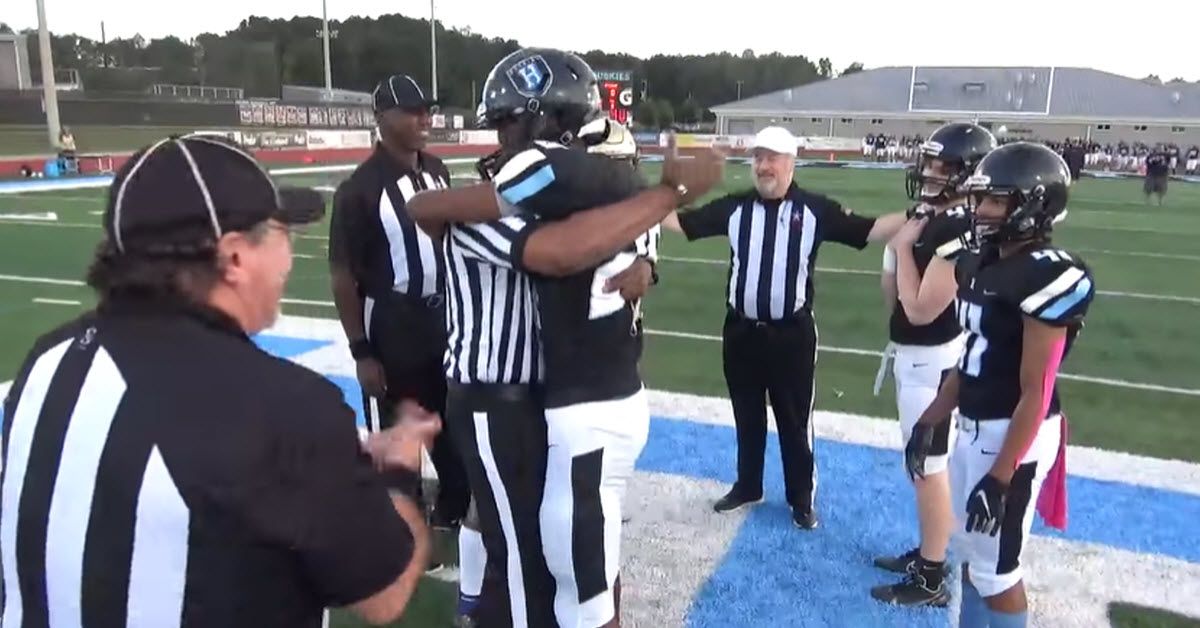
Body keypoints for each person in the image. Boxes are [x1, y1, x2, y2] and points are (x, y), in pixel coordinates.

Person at [0, 134, 438, 627]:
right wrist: (399, 467)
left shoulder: (49, 360)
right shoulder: (286, 408)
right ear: (233, 258)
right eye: (281, 233)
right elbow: (385, 592)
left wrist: (329, 460)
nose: (289, 257)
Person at [661, 125, 907, 529]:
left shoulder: (813, 209)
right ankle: (748, 484)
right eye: (758, 157)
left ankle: (800, 497)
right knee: (746, 413)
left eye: (772, 157)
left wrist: (922, 217)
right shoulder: (735, 207)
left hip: (791, 335)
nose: (764, 165)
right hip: (740, 331)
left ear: (791, 162)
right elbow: (682, 224)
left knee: (794, 420)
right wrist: (636, 203)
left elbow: (870, 229)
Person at [906, 142, 1094, 628]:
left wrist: (1003, 475)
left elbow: (1037, 388)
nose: (981, 211)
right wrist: (932, 417)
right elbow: (972, 356)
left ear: (1032, 205)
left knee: (998, 573)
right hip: (975, 425)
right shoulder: (985, 261)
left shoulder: (1047, 275)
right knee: (972, 558)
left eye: (994, 201)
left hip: (1012, 434)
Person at [328, 74, 470, 531]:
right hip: (392, 321)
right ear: (382, 118)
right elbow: (343, 275)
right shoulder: (360, 189)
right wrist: (362, 350)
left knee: (448, 422)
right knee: (397, 431)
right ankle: (398, 523)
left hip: (441, 319)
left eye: (426, 109)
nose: (424, 118)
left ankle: (451, 502)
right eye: (411, 111)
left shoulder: (437, 170)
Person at [872, 122, 996, 607]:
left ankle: (930, 575)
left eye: (941, 166)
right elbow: (894, 300)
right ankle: (931, 552)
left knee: (928, 466)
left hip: (935, 363)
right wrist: (897, 252)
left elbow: (921, 308)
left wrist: (902, 247)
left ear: (966, 175)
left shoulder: (957, 229)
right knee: (921, 465)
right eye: (929, 162)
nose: (928, 173)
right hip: (917, 357)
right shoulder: (934, 217)